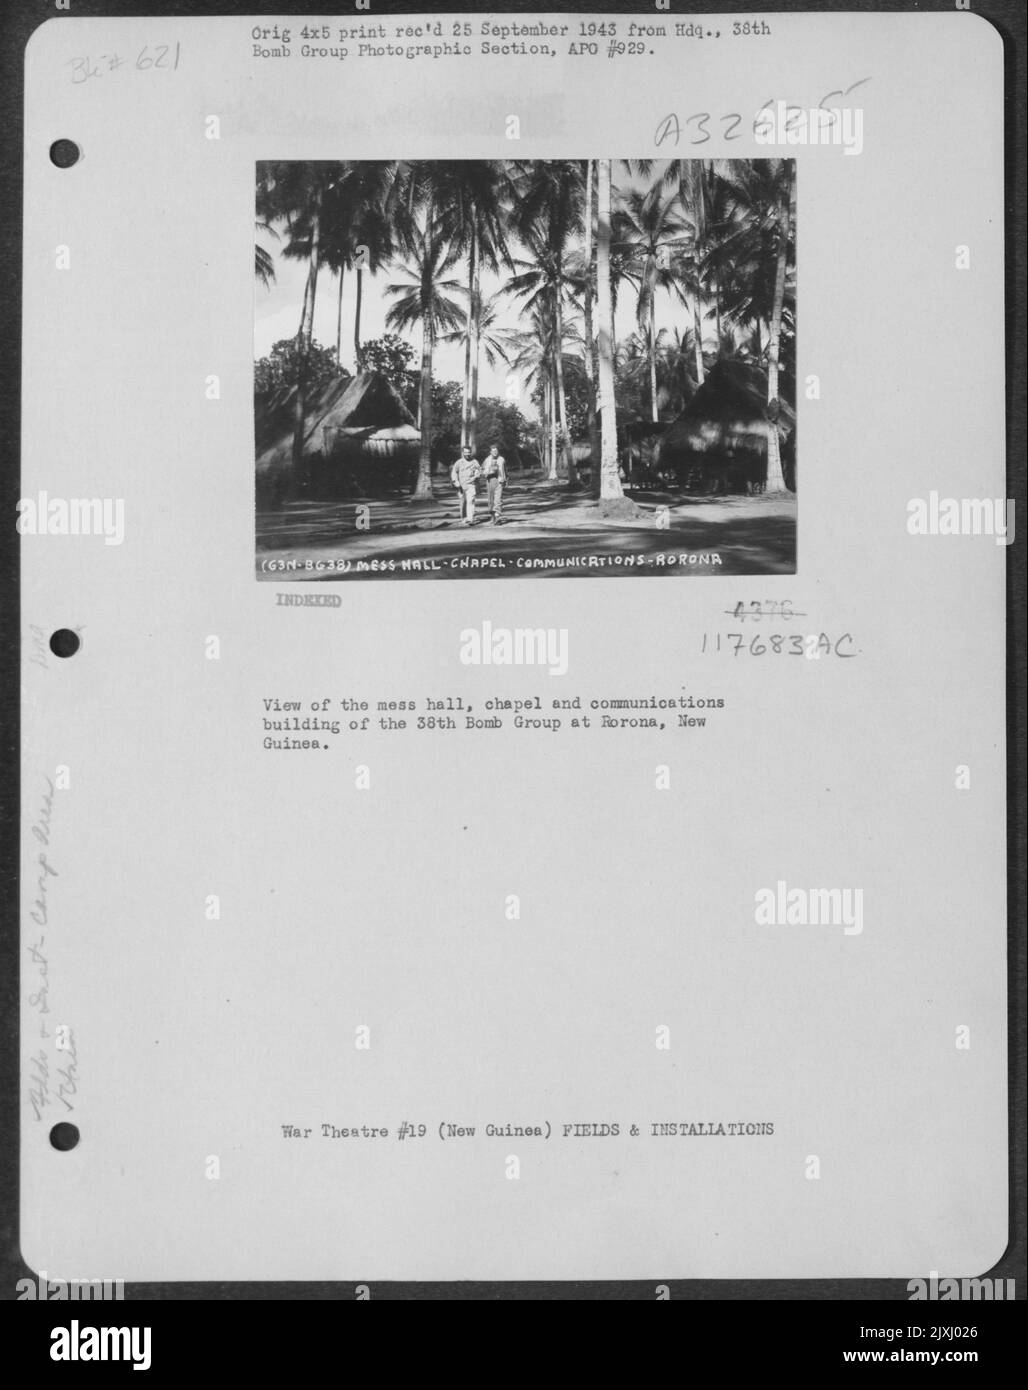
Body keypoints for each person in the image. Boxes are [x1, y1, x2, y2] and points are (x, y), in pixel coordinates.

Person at [450, 445, 482, 525]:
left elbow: (479, 471)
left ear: (471, 453)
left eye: (469, 452)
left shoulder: (475, 462)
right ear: (463, 453)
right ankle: (464, 518)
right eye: (465, 452)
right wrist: (455, 481)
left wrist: (475, 476)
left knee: (471, 501)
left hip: (471, 484)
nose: (467, 454)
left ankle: (470, 518)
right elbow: (454, 472)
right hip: (461, 486)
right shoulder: (459, 462)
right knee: (463, 502)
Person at [481, 444, 507, 523]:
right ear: (490, 452)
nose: (495, 452)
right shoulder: (487, 460)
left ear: (498, 451)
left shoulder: (502, 459)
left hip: (499, 481)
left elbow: (505, 470)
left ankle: (497, 516)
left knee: (498, 499)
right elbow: (482, 470)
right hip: (490, 481)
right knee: (491, 501)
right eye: (493, 451)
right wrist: (489, 472)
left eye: (496, 451)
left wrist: (506, 480)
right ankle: (493, 516)